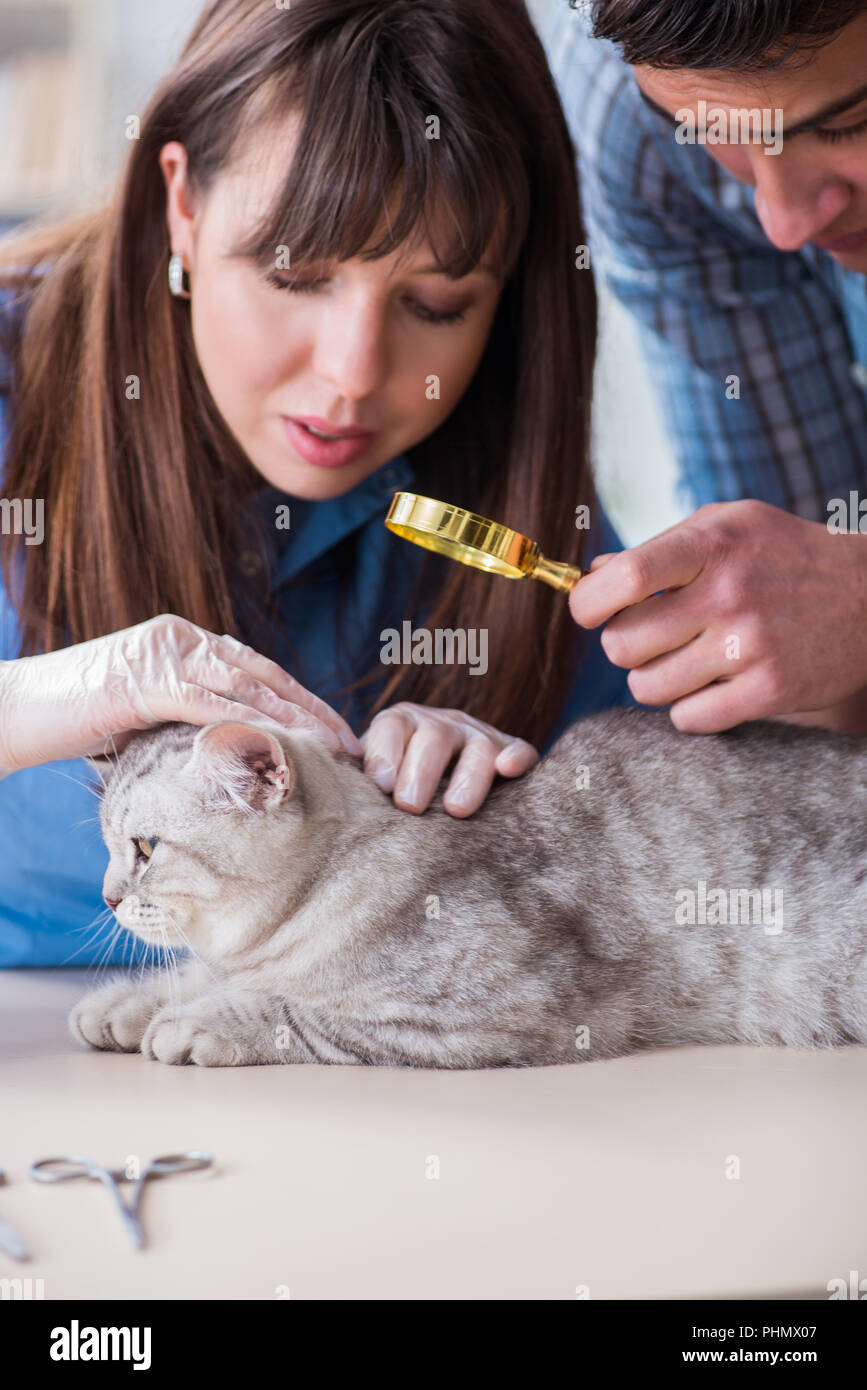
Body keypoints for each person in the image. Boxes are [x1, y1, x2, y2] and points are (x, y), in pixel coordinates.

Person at [0, 0, 629, 968]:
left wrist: (485, 810)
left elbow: (663, 852)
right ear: (184, 205)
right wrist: (57, 694)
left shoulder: (500, 491)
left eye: (436, 303)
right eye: (295, 277)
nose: (354, 372)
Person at [546, 0, 867, 735]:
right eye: (716, 139)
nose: (781, 221)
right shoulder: (623, 97)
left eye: (846, 123)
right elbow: (800, 649)